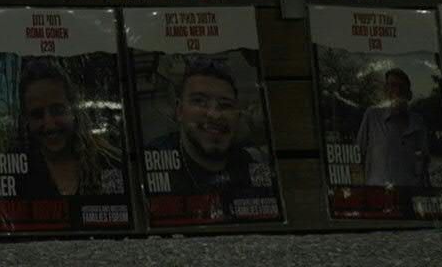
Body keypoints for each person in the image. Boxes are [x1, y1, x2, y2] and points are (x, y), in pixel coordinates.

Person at [145, 60, 265, 200]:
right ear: (179, 111)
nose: (214, 114)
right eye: (199, 101)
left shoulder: (252, 168)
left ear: (238, 114)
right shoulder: (152, 163)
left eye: (225, 105)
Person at [16, 60, 123, 198]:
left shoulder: (108, 163)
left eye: (57, 111)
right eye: (37, 115)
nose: (49, 125)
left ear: (73, 109)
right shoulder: (17, 173)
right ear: (26, 119)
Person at [355, 67, 429, 188]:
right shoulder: (373, 116)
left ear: (409, 94)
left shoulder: (417, 121)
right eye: (392, 85)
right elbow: (358, 154)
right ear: (386, 91)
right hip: (379, 194)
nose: (397, 91)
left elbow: (424, 159)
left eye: (401, 87)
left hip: (410, 193)